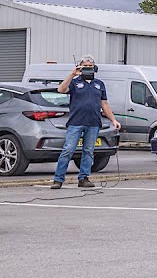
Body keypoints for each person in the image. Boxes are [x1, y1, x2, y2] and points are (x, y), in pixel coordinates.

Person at [51, 55, 121, 189]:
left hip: (93, 123)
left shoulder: (99, 84)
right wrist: (72, 74)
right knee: (68, 150)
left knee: (88, 151)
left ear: (94, 67)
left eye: (90, 66)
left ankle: (84, 178)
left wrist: (113, 120)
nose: (88, 68)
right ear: (80, 67)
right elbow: (61, 90)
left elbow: (104, 104)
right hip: (76, 122)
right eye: (85, 66)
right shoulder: (74, 82)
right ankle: (58, 179)